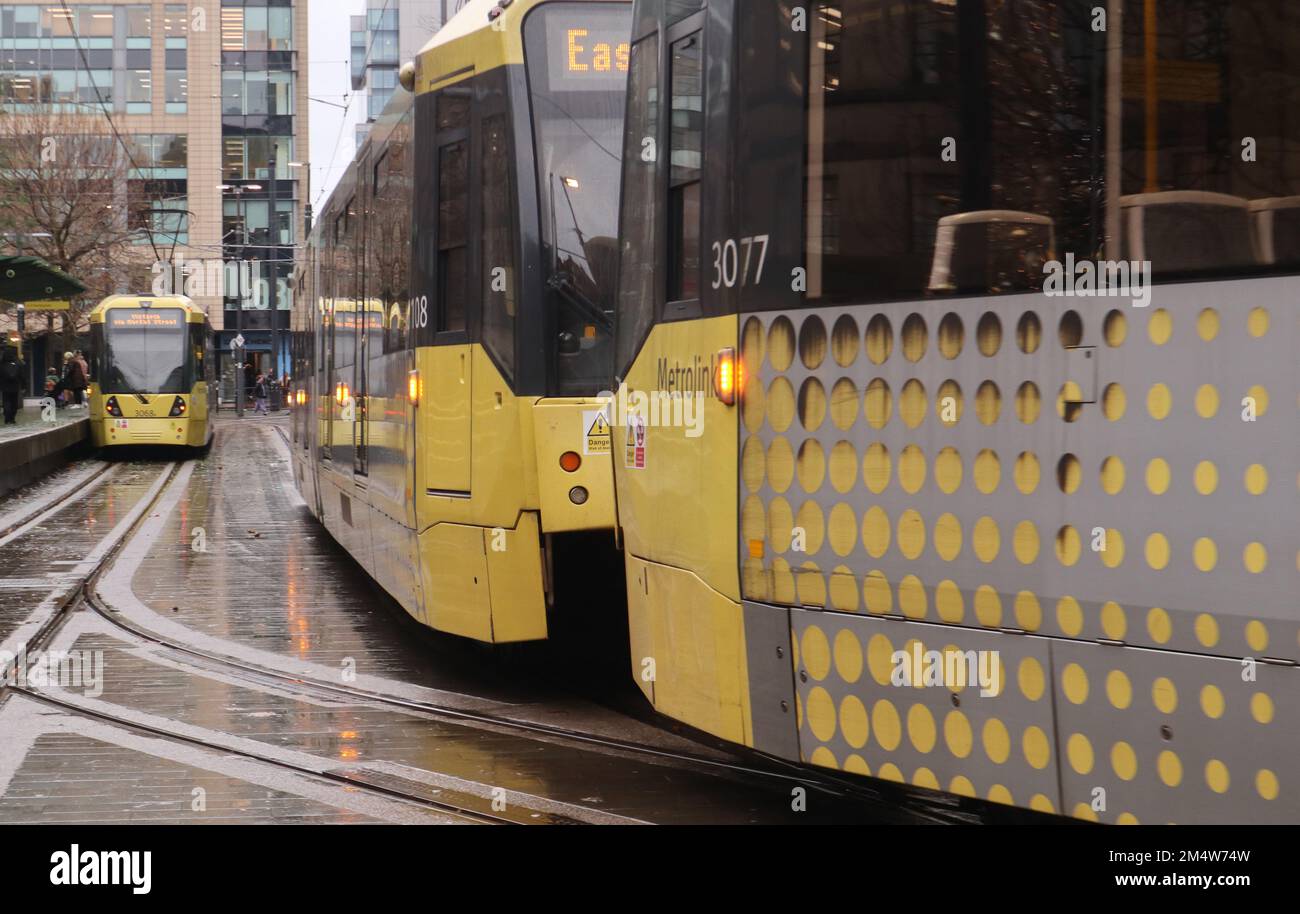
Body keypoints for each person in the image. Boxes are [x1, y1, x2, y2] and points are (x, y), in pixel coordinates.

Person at [1, 347, 26, 425]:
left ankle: (7, 417)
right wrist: (23, 386)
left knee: (6, 402)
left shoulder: (1, 364)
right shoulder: (18, 363)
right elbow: (22, 376)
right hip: (15, 386)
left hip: (4, 387)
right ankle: (12, 418)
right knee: (14, 402)